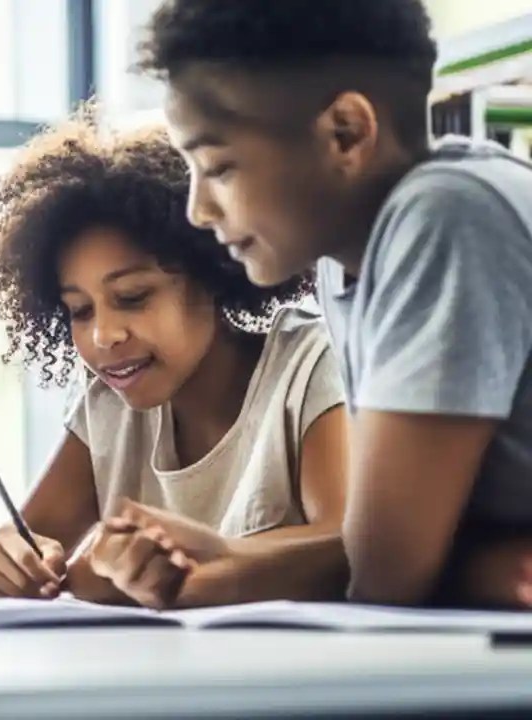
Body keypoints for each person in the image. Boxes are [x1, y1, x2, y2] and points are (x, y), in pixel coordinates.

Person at [141, 0, 532, 607]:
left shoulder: (447, 216)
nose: (198, 209)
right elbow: (380, 546)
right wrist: (237, 553)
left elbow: (388, 579)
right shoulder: (343, 259)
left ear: (345, 133)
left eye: (217, 166)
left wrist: (233, 578)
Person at [0, 119, 347, 609]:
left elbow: (349, 539)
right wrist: (5, 560)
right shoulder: (108, 404)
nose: (104, 335)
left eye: (132, 297)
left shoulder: (308, 367)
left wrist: (213, 561)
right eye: (80, 310)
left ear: (213, 270)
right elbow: (33, 548)